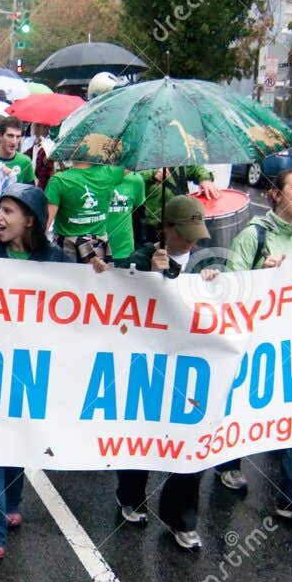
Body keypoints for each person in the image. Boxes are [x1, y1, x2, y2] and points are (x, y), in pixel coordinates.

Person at [210, 167, 292, 522]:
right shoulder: (253, 235)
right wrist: (263, 273)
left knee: (288, 410)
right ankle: (226, 462)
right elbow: (232, 288)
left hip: (291, 339)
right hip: (254, 339)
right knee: (241, 403)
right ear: (275, 194)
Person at [0, 183, 68, 562]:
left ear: (30, 220)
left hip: (32, 367)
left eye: (8, 211)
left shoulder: (56, 260)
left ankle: (12, 499)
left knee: (19, 435)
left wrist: (98, 274)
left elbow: (87, 304)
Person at [114, 195, 212, 549]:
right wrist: (148, 276)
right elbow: (120, 301)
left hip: (191, 365)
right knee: (142, 433)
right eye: (184, 232)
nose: (191, 241)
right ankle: (131, 497)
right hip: (146, 362)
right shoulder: (140, 259)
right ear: (165, 228)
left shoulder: (208, 261)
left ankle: (182, 518)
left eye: (196, 233)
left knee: (190, 440)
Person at [45, 160, 123, 265]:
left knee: (66, 281)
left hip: (67, 251)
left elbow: (45, 223)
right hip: (98, 251)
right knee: (96, 280)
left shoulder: (59, 180)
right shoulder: (110, 173)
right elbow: (131, 159)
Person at [0, 115, 35, 234]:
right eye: (10, 136)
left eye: (18, 136)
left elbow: (31, 195)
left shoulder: (25, 162)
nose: (14, 141)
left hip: (13, 228)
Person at [138, 164, 217, 245]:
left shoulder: (176, 157)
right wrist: (152, 174)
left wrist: (204, 179)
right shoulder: (140, 157)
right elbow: (128, 177)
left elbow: (194, 168)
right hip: (157, 225)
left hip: (183, 219)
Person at [105, 167, 146, 265]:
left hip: (124, 249)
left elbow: (138, 207)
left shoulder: (136, 180)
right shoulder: (93, 177)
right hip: (95, 248)